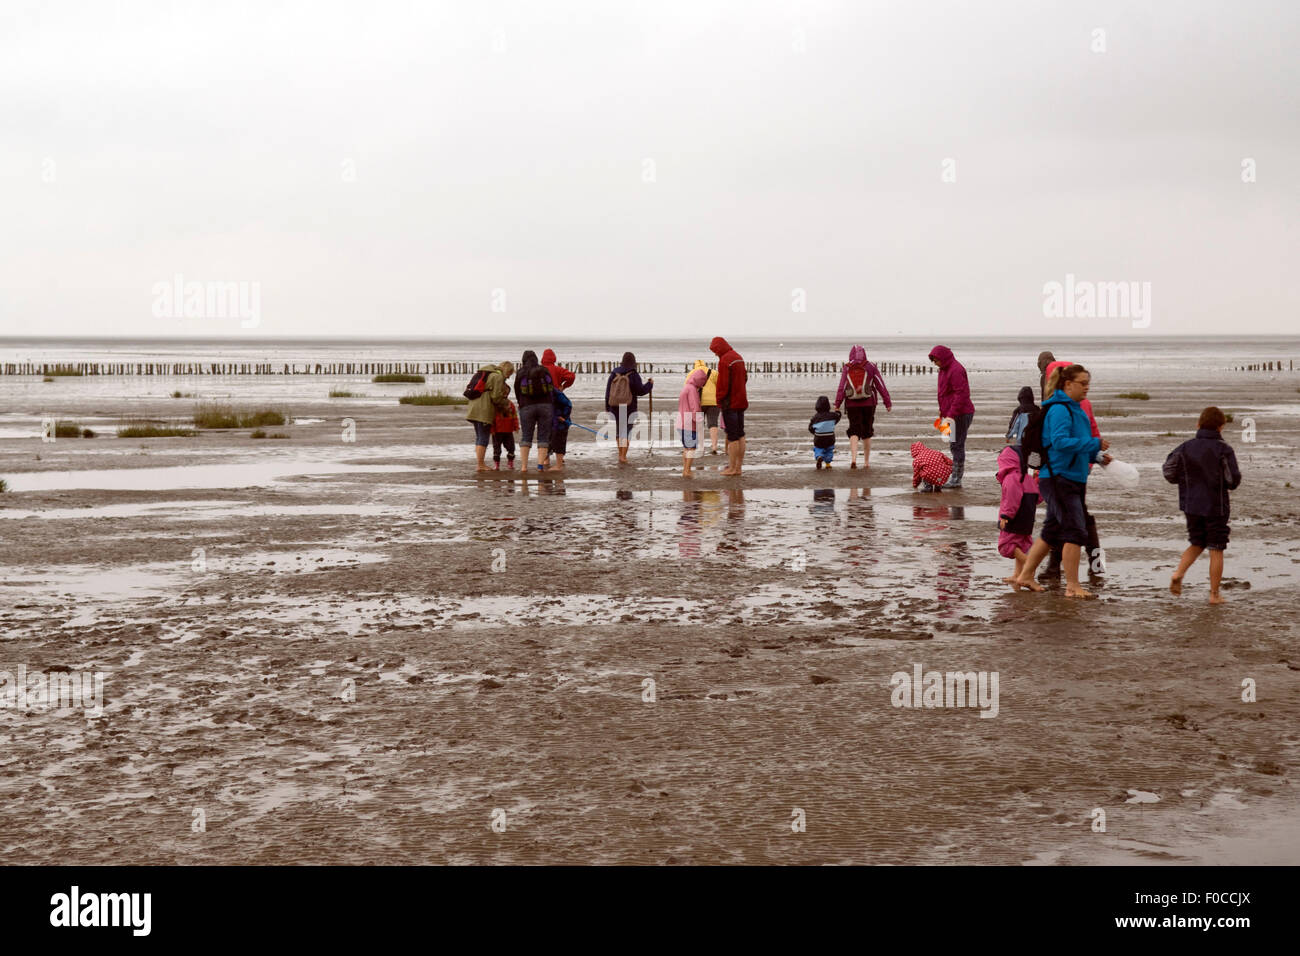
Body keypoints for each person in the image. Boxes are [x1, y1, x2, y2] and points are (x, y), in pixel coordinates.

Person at [1010, 364, 1111, 598]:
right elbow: (1059, 442)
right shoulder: (1059, 410)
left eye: (1088, 383)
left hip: (1072, 476)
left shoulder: (1075, 409)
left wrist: (1096, 456)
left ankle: (1025, 575)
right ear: (1068, 384)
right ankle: (1072, 586)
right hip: (1058, 478)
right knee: (1075, 531)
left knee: (1051, 532)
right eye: (1082, 383)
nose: (1087, 388)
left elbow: (1076, 444)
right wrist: (1094, 444)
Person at [1164, 406, 1242, 604]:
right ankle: (1214, 594)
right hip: (1216, 506)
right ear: (1221, 427)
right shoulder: (1224, 450)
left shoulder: (1184, 447)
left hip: (1191, 504)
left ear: (1198, 424)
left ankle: (1178, 573)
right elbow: (1232, 479)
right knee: (1216, 547)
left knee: (1197, 542)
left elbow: (1169, 471)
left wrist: (1182, 481)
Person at [1041, 358, 1103, 577]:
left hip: (1070, 469)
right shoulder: (1063, 404)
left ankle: (1062, 569)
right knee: (1059, 523)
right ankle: (1090, 565)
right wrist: (1095, 454)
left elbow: (1088, 434)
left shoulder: (1068, 404)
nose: (1086, 387)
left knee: (1074, 524)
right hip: (1073, 467)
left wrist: (1094, 453)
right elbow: (1092, 432)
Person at [832, 345, 892, 468]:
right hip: (869, 404)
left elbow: (842, 387)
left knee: (854, 430)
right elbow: (880, 384)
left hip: (852, 403)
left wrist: (838, 403)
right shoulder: (871, 366)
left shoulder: (847, 367)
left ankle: (853, 459)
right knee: (867, 431)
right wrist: (887, 402)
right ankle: (866, 462)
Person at [927, 346, 975, 488]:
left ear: (943, 358)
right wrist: (943, 415)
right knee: (953, 444)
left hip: (961, 413)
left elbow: (962, 394)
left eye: (936, 360)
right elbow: (944, 394)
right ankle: (955, 477)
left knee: (957, 445)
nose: (935, 363)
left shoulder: (956, 370)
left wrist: (951, 416)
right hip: (951, 414)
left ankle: (956, 479)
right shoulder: (943, 370)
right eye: (933, 361)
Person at [996, 445, 1039, 584]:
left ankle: (1029, 566)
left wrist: (1005, 516)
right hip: (1027, 519)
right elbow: (1038, 498)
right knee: (1020, 545)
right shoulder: (1027, 478)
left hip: (1014, 518)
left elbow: (1011, 499)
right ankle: (1017, 574)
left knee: (1006, 546)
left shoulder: (1012, 478)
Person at [604, 351, 653, 464]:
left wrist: (607, 406)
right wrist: (650, 384)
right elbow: (640, 391)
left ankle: (620, 454)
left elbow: (608, 391)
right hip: (629, 406)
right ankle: (623, 456)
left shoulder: (614, 373)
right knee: (626, 432)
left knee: (618, 431)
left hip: (615, 406)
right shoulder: (633, 374)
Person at [465, 360, 513, 472]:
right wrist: (507, 404)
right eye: (509, 374)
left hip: (473, 407)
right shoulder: (498, 377)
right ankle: (480, 464)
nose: (509, 377)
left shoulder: (487, 373)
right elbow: (496, 397)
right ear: (507, 370)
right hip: (484, 409)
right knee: (483, 438)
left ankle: (479, 463)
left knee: (479, 437)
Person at [710, 336, 748, 476]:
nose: (715, 353)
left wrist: (719, 400)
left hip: (730, 403)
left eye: (715, 350)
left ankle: (732, 468)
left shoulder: (725, 360)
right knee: (740, 434)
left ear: (719, 348)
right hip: (741, 401)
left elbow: (723, 384)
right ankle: (738, 467)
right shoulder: (738, 357)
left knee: (732, 437)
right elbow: (745, 378)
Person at [515, 350, 554, 472]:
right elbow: (551, 388)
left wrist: (520, 403)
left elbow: (517, 390)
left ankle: (524, 467)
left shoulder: (521, 372)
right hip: (545, 405)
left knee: (526, 436)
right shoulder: (544, 370)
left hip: (527, 406)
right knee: (543, 437)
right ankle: (540, 466)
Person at [678, 367, 707, 478]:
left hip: (681, 422)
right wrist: (700, 422)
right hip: (689, 423)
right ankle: (687, 470)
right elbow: (695, 408)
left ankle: (685, 469)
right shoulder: (692, 390)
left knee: (686, 447)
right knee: (691, 448)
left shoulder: (686, 387)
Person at [688, 359, 721, 454]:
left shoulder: (692, 373)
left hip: (698, 402)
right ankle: (714, 446)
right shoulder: (713, 372)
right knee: (713, 423)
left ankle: (700, 446)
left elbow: (688, 387)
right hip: (713, 402)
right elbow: (720, 385)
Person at [808, 396, 841, 469]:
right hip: (830, 438)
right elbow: (838, 417)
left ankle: (819, 456)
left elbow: (810, 428)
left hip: (818, 438)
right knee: (829, 449)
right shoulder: (833, 415)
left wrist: (815, 432)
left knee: (818, 448)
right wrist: (837, 410)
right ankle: (828, 463)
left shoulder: (815, 417)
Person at [491, 385, 519, 471]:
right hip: (497, 431)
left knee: (511, 448)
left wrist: (516, 426)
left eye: (507, 392)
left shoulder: (510, 404)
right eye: (503, 392)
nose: (505, 394)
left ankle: (510, 462)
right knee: (496, 448)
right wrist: (492, 429)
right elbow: (491, 418)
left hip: (508, 430)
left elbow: (514, 416)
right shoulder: (494, 404)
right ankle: (496, 464)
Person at [550, 386, 572, 472]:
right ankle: (545, 462)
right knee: (549, 442)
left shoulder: (556, 393)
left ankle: (559, 465)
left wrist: (563, 416)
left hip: (561, 422)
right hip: (550, 422)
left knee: (559, 442)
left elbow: (568, 404)